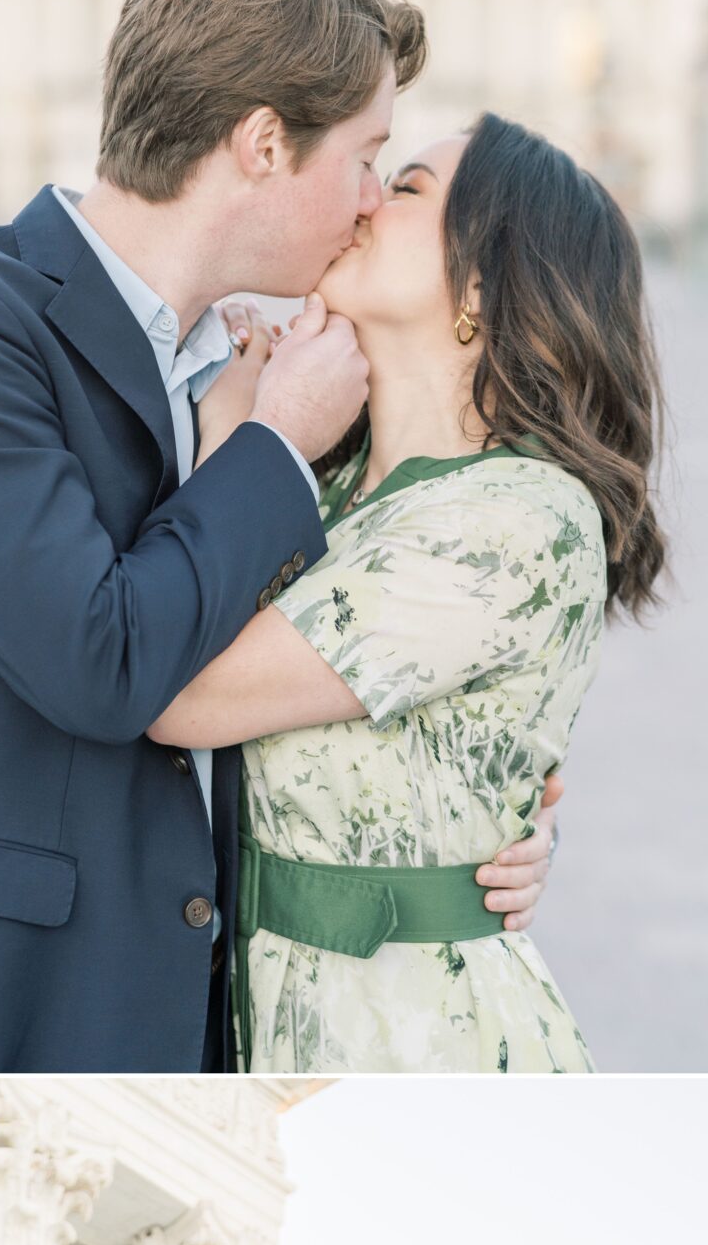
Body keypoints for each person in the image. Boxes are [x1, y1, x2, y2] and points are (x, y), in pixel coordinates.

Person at [0, 0, 558, 1076]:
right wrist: (273, 441)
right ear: (263, 143)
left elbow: (325, 681)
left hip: (208, 1031)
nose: (370, 198)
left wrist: (477, 817)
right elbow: (96, 658)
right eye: (365, 155)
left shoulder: (256, 371)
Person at [142, 114, 664, 1071]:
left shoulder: (518, 518)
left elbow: (174, 688)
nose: (368, 198)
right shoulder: (328, 486)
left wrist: (239, 434)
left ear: (479, 283)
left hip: (415, 1038)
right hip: (269, 1023)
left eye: (411, 187)